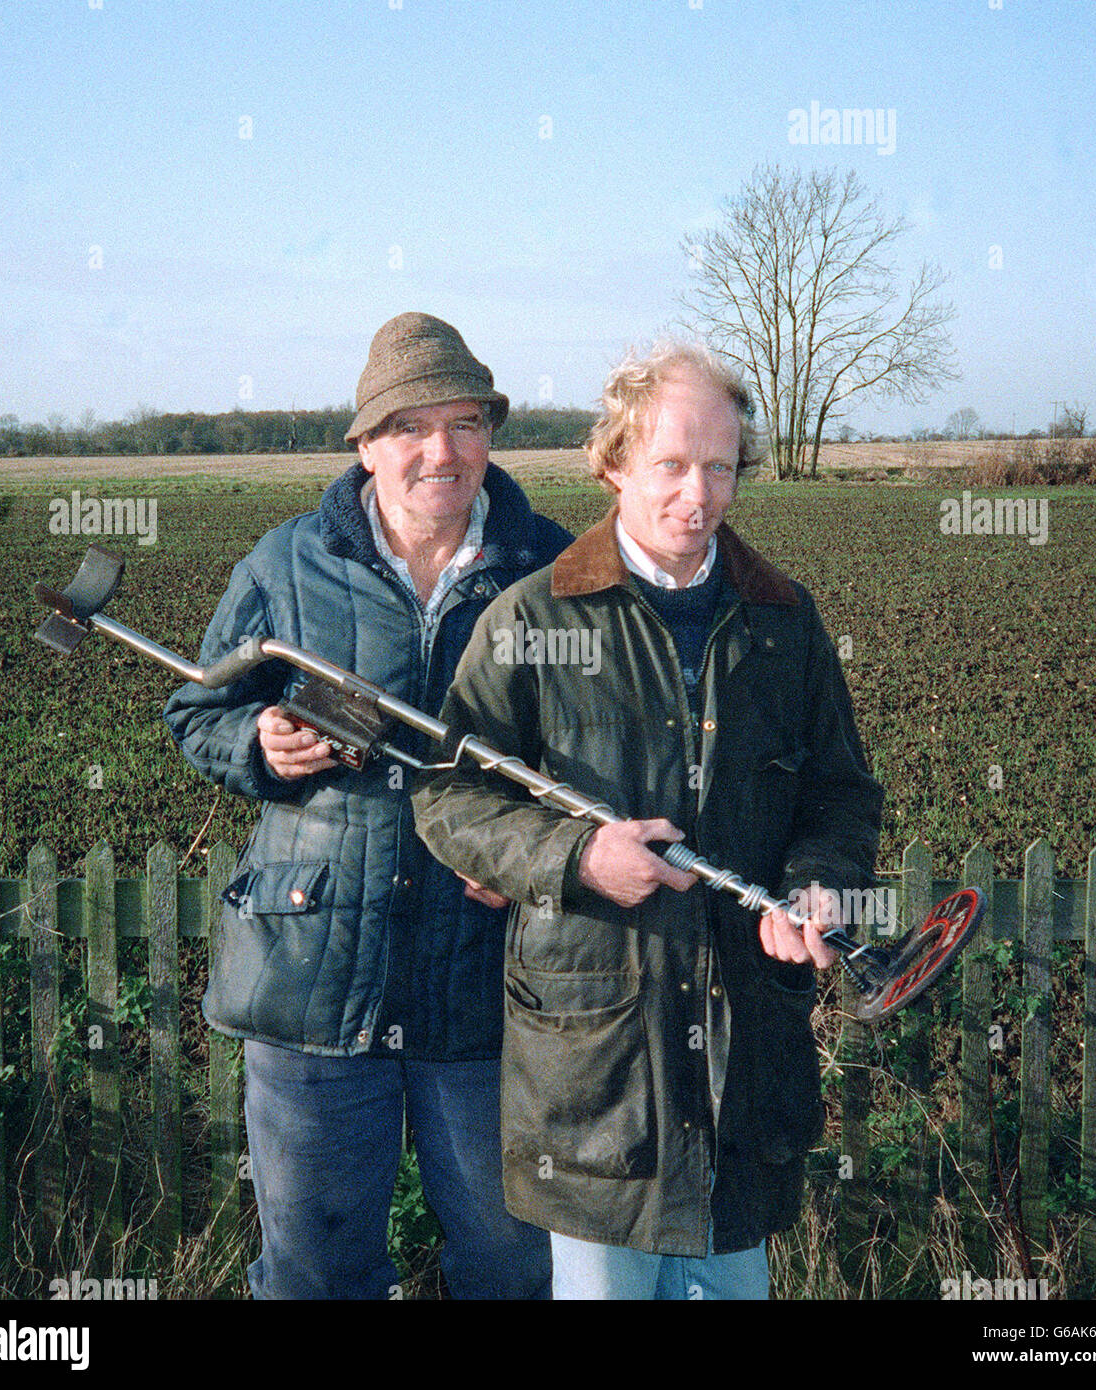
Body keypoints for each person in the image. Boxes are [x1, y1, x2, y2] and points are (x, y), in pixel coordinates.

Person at [412, 341, 884, 1300]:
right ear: (614, 462)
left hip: (743, 1069)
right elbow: (447, 795)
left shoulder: (782, 622)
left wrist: (816, 882)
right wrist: (576, 857)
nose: (696, 494)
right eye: (669, 464)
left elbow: (839, 794)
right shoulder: (531, 617)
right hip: (596, 1087)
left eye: (719, 467)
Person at [163, 312, 570, 1299]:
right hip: (309, 983)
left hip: (488, 992)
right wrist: (257, 743)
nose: (442, 450)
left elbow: (606, 764)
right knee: (316, 1271)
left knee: (514, 1264)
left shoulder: (557, 572)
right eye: (410, 428)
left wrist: (534, 855)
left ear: (491, 434)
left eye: (465, 422)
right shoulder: (287, 563)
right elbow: (196, 710)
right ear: (366, 444)